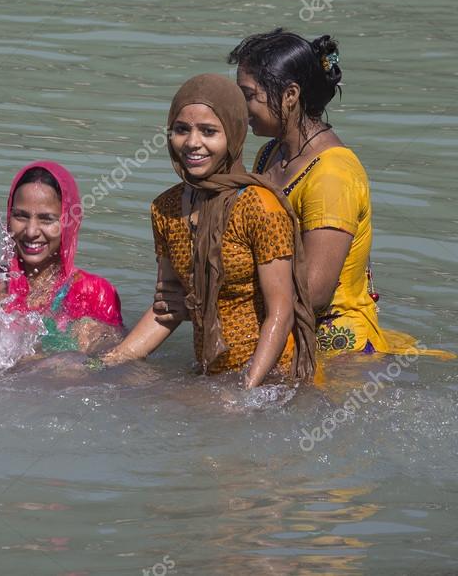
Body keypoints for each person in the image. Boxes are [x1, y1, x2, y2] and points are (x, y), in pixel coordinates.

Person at [226, 29, 453, 359]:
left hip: (336, 350)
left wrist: (230, 288)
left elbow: (315, 292)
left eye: (248, 95)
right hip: (285, 329)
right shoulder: (271, 153)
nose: (239, 107)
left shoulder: (332, 174)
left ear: (290, 94)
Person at [102, 74, 317, 387]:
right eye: (181, 130)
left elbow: (281, 312)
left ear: (233, 134)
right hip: (210, 376)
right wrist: (108, 362)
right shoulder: (166, 208)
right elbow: (170, 307)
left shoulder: (260, 206)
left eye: (209, 131)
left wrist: (247, 390)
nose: (192, 143)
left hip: (271, 379)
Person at [0, 161, 124, 355]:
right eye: (20, 216)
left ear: (69, 222)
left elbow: (111, 360)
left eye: (47, 219)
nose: (31, 231)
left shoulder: (94, 293)